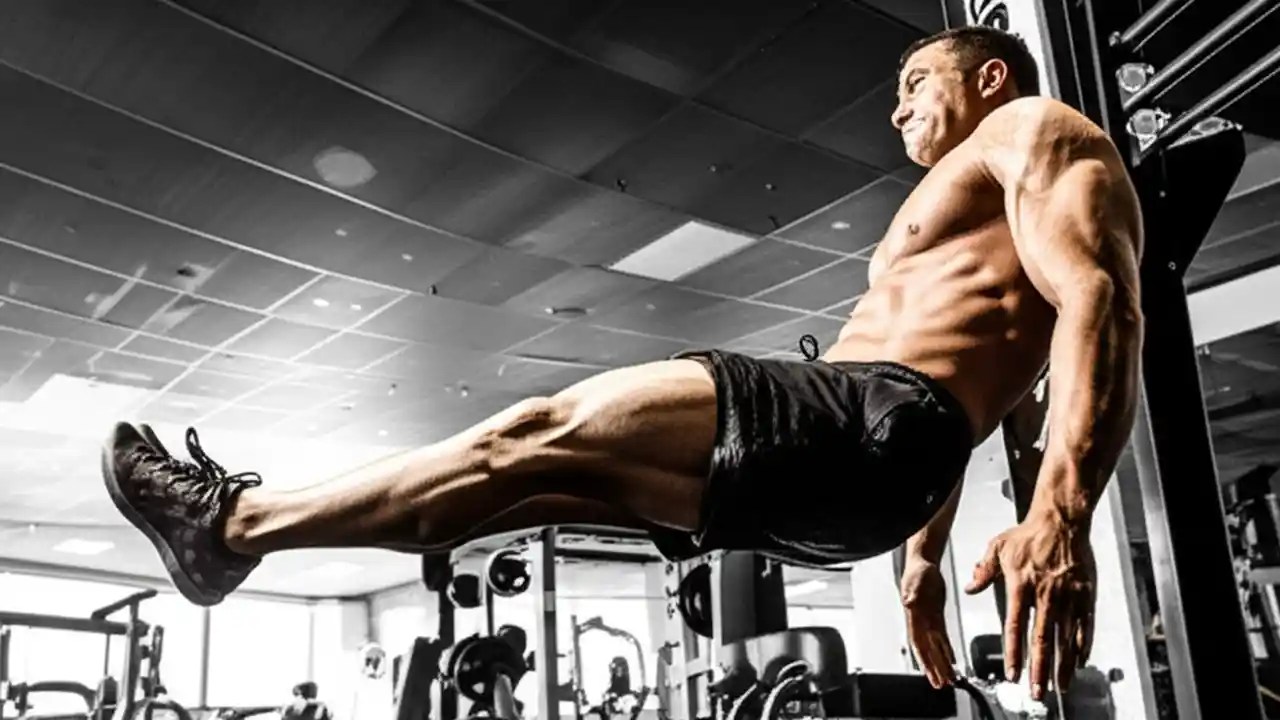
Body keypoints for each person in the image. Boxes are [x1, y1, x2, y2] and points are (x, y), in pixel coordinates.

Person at [101, 25, 1143, 702]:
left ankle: (229, 524)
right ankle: (229, 542)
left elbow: (1100, 297)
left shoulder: (1031, 127)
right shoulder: (975, 214)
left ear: (989, 77)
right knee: (510, 486)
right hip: (871, 472)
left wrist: (1061, 515)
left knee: (531, 431)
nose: (897, 108)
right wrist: (919, 565)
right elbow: (970, 399)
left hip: (861, 419)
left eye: (915, 83)